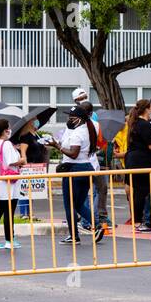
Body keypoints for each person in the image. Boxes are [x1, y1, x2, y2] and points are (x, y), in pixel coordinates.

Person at [46, 105, 101, 245]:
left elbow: (74, 154)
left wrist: (56, 146)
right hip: (87, 168)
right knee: (77, 204)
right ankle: (97, 226)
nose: (68, 119)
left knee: (69, 204)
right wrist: (57, 143)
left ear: (79, 119)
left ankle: (74, 236)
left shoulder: (78, 133)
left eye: (71, 117)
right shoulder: (86, 130)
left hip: (75, 170)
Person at [72, 87, 110, 233]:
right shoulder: (74, 122)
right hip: (82, 162)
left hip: (90, 160)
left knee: (97, 190)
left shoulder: (94, 121)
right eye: (81, 98)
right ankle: (89, 220)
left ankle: (94, 219)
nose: (84, 99)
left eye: (85, 96)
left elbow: (101, 141)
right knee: (85, 192)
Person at [0, 116, 24, 249]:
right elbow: (12, 161)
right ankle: (9, 240)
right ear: (5, 130)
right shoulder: (6, 144)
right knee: (9, 212)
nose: (10, 130)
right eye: (8, 127)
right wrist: (22, 157)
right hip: (7, 183)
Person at [124, 98, 151, 234]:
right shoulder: (144, 124)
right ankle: (139, 221)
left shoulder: (134, 123)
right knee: (141, 191)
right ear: (147, 109)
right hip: (141, 161)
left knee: (137, 191)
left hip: (132, 160)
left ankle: (137, 220)